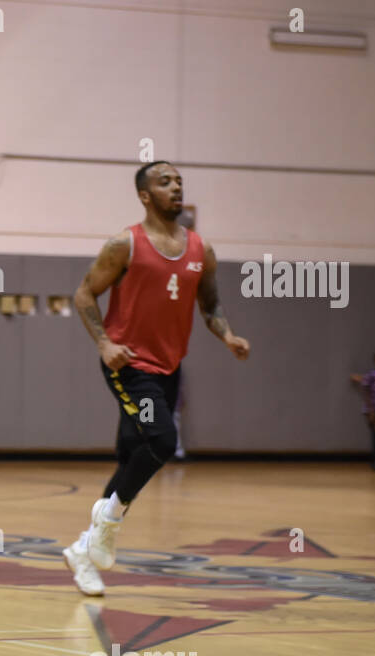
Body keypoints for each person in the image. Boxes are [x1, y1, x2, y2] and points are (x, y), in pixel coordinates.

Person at [65, 161, 250, 595]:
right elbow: (84, 293)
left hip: (170, 366)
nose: (175, 188)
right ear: (145, 196)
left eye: (179, 182)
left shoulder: (201, 250)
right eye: (164, 182)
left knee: (133, 455)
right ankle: (106, 525)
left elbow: (211, 305)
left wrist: (228, 336)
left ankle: (82, 551)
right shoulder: (124, 244)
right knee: (163, 441)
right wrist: (105, 345)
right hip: (129, 365)